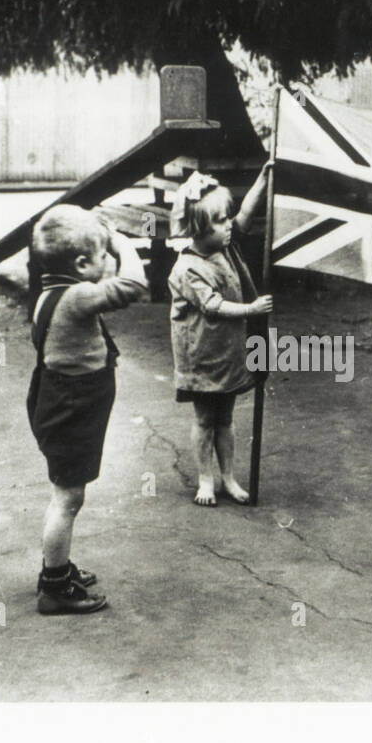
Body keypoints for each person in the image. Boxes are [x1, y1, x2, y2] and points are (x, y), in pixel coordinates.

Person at [26, 205, 147, 613]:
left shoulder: (51, 292)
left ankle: (56, 568)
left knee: (69, 493)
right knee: (68, 497)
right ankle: (54, 588)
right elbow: (132, 285)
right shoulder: (78, 296)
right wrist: (122, 241)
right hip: (71, 408)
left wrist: (103, 246)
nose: (108, 261)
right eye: (101, 256)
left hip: (62, 402)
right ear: (80, 264)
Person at [167, 165, 273, 506]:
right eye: (220, 221)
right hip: (201, 355)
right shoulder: (188, 267)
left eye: (226, 218)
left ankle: (228, 476)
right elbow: (213, 306)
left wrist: (264, 177)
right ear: (198, 228)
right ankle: (205, 478)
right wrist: (251, 309)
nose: (229, 225)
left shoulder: (223, 245)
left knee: (225, 417)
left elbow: (244, 215)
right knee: (205, 418)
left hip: (226, 349)